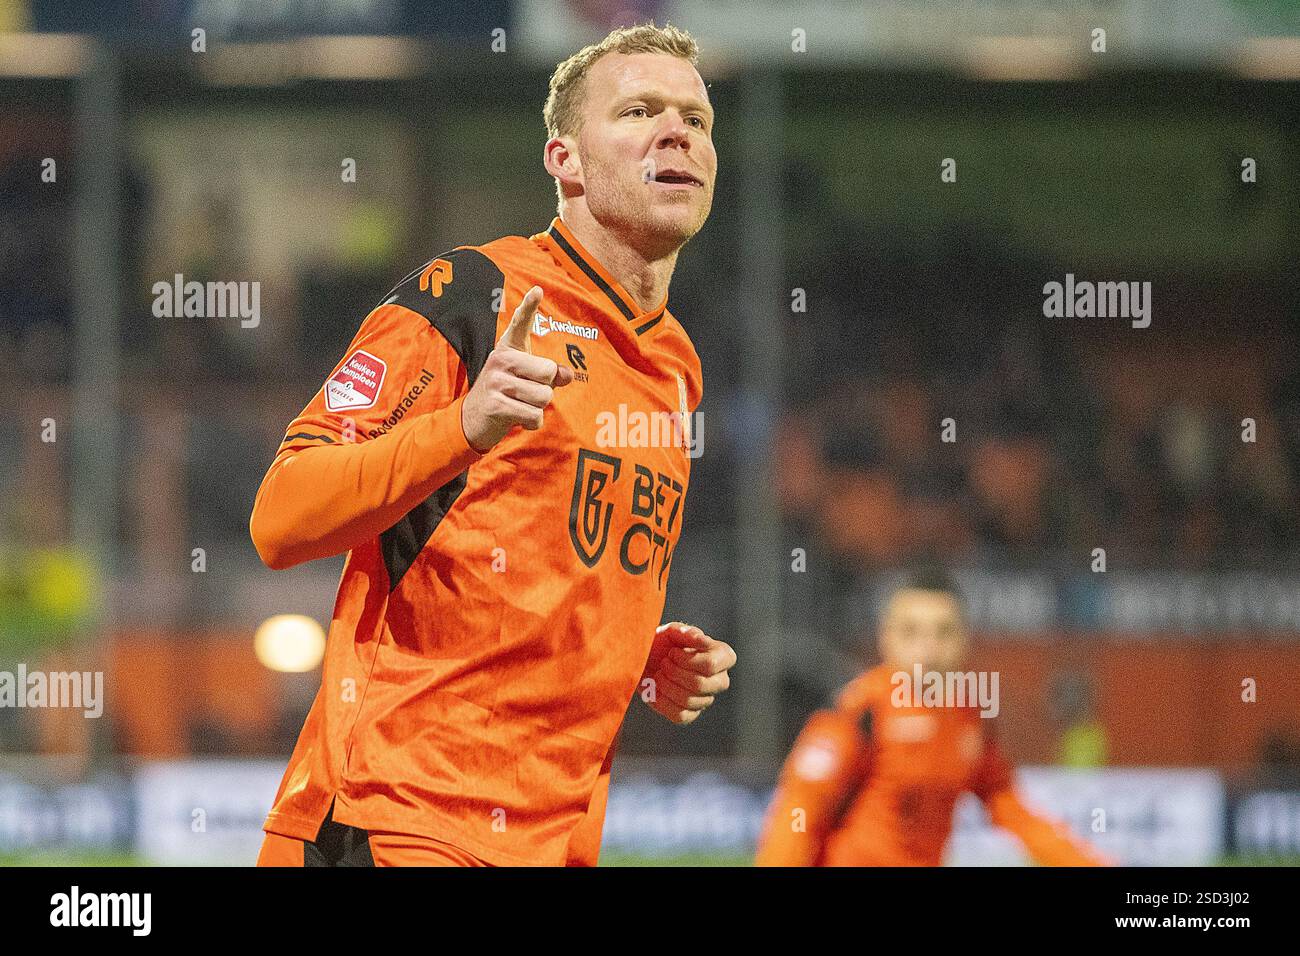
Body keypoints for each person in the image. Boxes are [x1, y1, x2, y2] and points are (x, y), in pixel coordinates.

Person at [251, 21, 734, 867]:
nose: (677, 132)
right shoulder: (472, 296)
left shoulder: (677, 365)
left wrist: (629, 654)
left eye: (696, 120)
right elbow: (281, 518)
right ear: (566, 162)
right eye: (640, 111)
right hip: (399, 819)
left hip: (554, 841)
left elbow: (537, 557)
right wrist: (460, 429)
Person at [755, 570, 1110, 866]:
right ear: (887, 638)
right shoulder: (861, 712)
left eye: (944, 633)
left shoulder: (969, 719)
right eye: (912, 633)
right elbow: (797, 812)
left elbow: (1014, 812)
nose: (928, 650)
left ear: (964, 640)